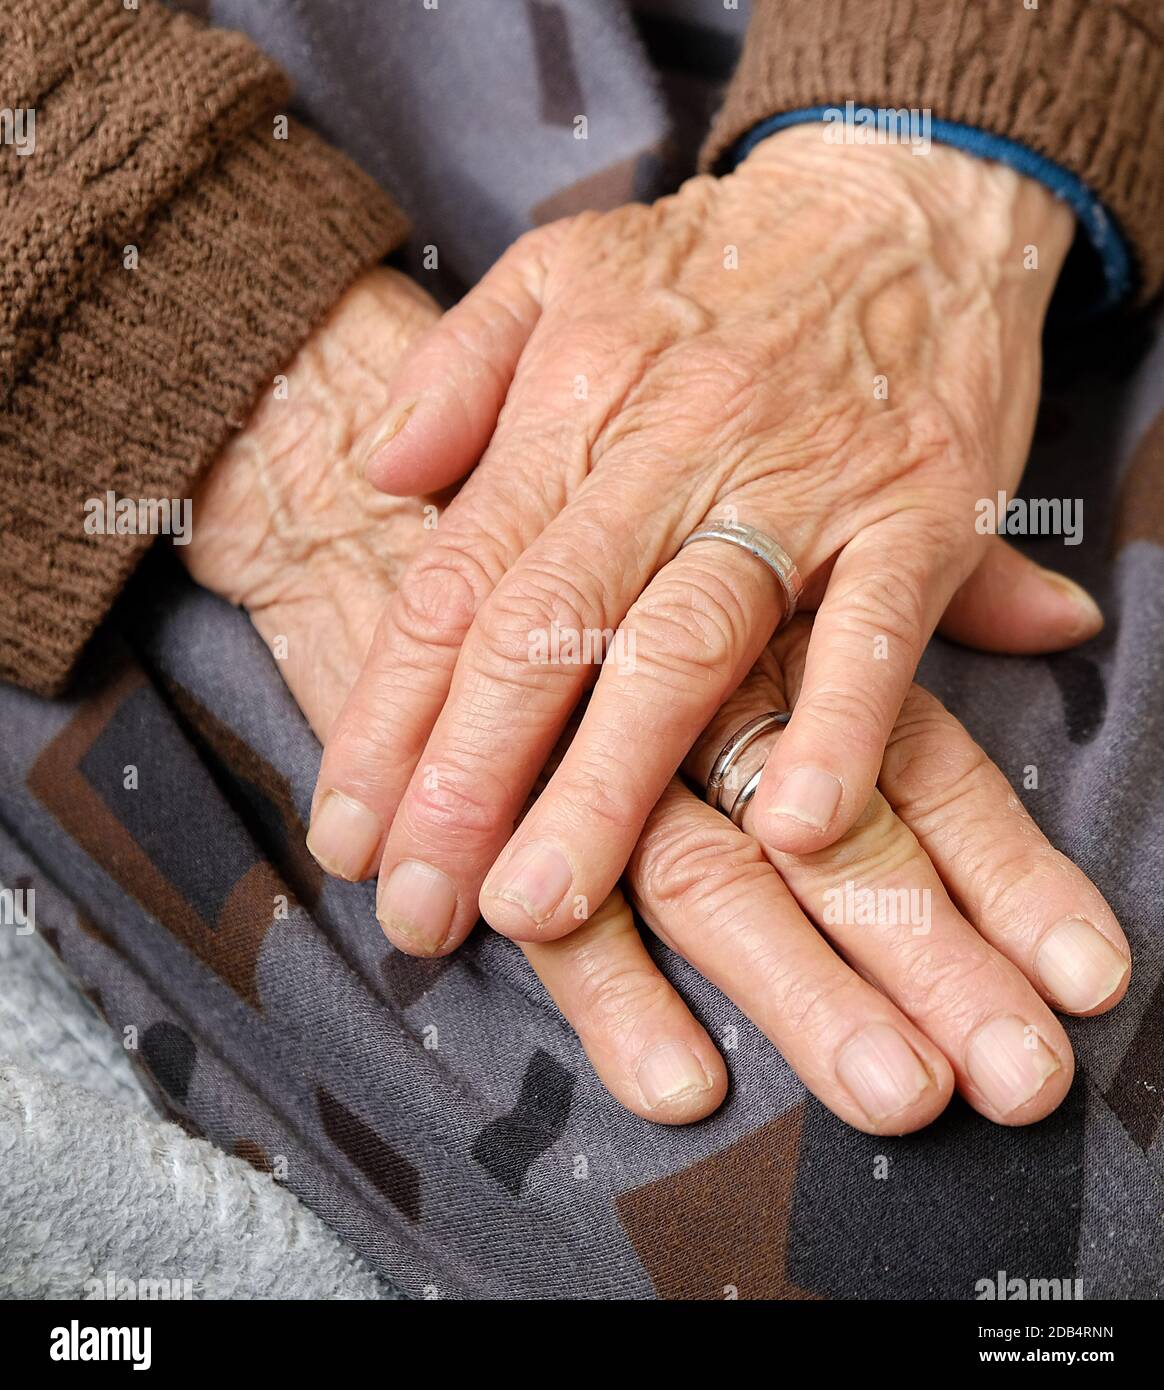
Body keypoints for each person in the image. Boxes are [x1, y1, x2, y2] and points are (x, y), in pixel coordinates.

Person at [1, 0, 1161, 1298]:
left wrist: (918, 168)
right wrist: (192, 307)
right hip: (155, 210)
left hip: (964, 122)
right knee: (952, 1221)